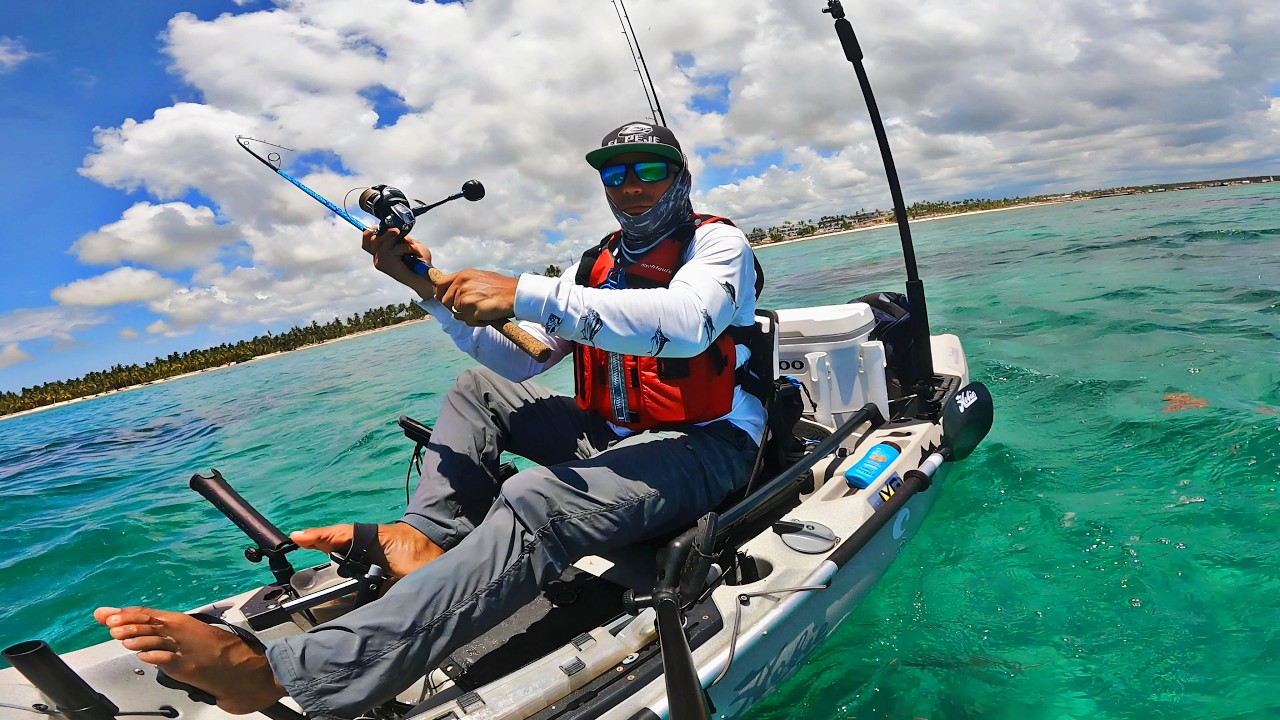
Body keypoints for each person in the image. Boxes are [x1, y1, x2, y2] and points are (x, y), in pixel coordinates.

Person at [95, 121, 765, 717]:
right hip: (613, 432)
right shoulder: (599, 261)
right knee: (478, 389)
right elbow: (523, 363)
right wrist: (426, 288)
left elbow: (690, 325)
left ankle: (275, 674)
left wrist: (525, 290)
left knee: (537, 496)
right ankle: (422, 537)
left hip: (706, 444)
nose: (630, 186)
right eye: (614, 173)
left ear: (679, 176)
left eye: (650, 169)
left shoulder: (717, 245)